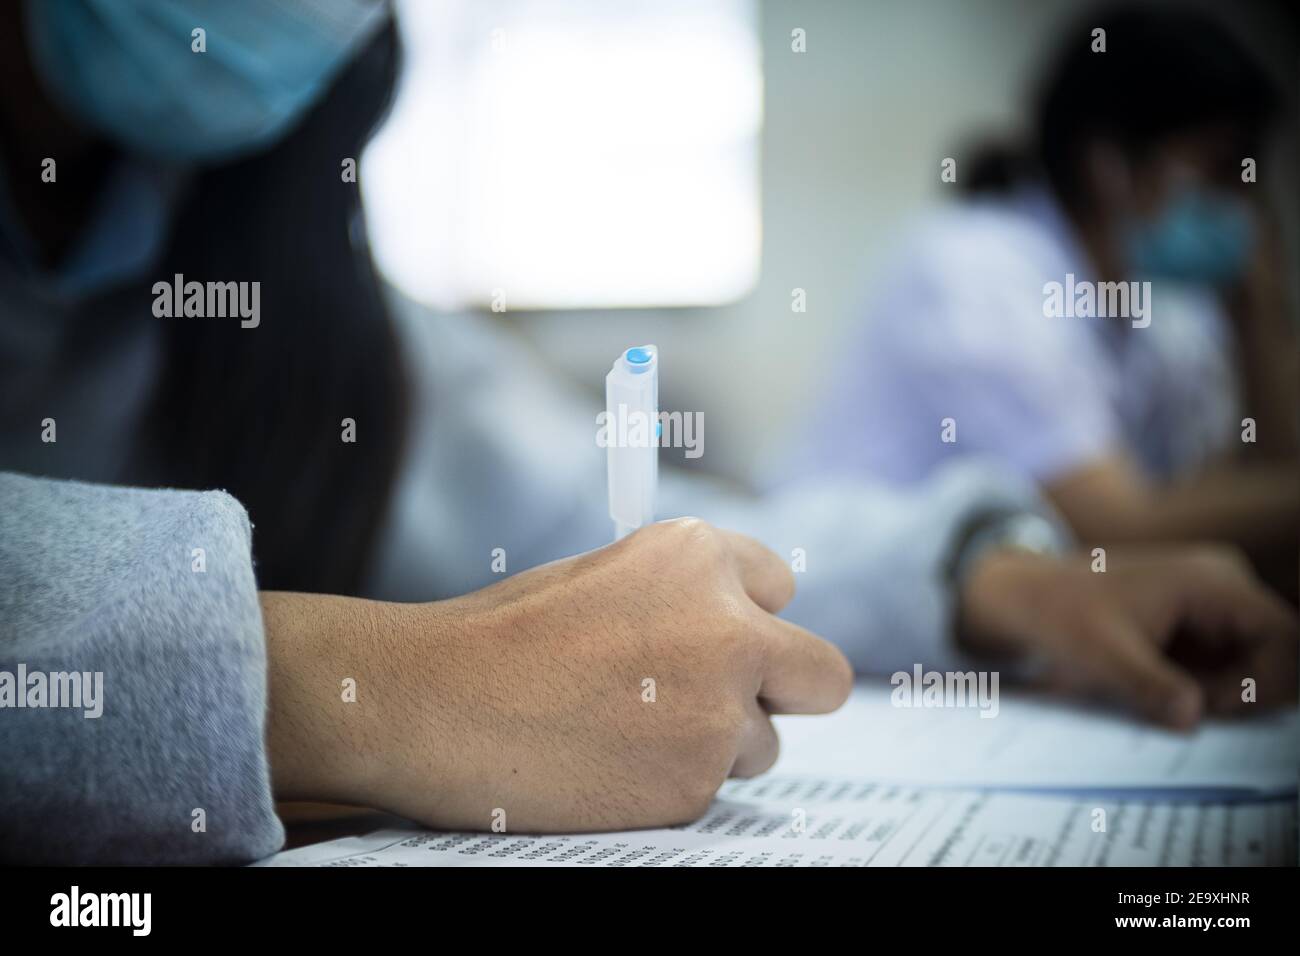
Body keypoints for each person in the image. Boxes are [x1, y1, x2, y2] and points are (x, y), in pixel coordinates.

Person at [1, 1, 1294, 865]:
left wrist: (985, 580)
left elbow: (629, 532)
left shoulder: (305, 305)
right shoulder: (986, 266)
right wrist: (371, 688)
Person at [787, 4, 1298, 595]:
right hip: (847, 603)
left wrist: (1258, 317)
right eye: (1223, 169)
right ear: (1112, 168)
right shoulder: (975, 268)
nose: (1247, 205)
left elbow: (1253, 501)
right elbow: (1116, 531)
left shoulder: (1165, 320)